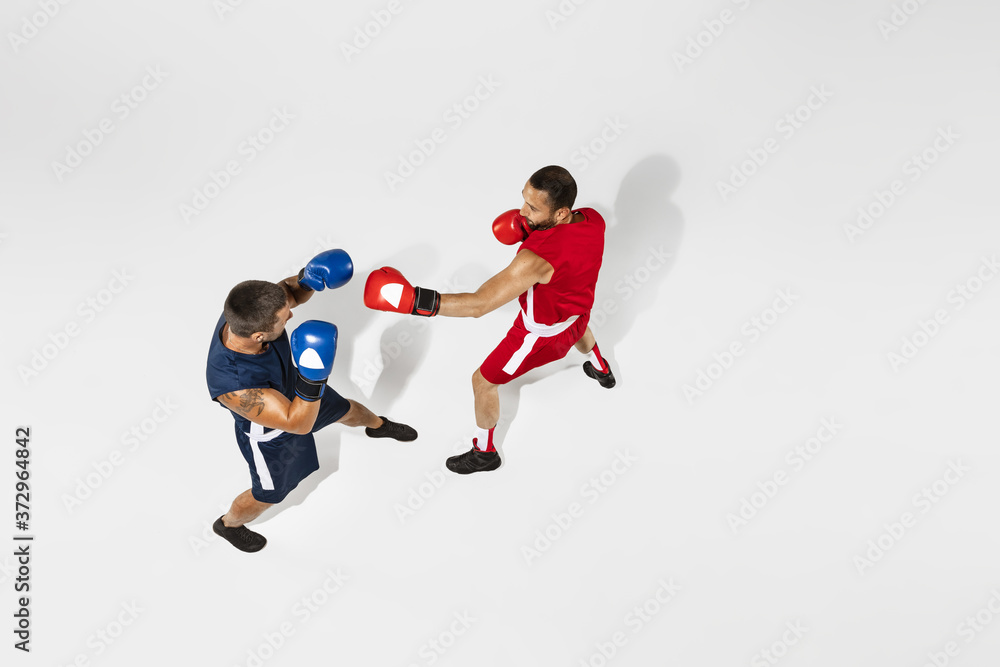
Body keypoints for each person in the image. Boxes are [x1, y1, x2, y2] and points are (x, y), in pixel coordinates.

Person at [363, 165, 615, 475]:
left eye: (533, 208)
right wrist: (540, 226)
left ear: (561, 213)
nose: (522, 213)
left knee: (482, 382)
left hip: (539, 336)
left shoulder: (535, 259)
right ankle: (603, 369)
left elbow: (478, 305)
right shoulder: (593, 219)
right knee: (580, 329)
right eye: (524, 200)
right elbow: (568, 249)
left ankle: (485, 453)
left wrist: (414, 301)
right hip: (579, 311)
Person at [206, 249, 417, 552]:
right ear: (259, 336)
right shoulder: (234, 386)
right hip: (272, 432)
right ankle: (228, 524)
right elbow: (298, 423)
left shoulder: (246, 310)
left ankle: (377, 425)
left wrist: (307, 279)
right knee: (269, 494)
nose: (290, 316)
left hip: (294, 388)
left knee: (347, 408)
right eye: (283, 320)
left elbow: (288, 292)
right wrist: (313, 377)